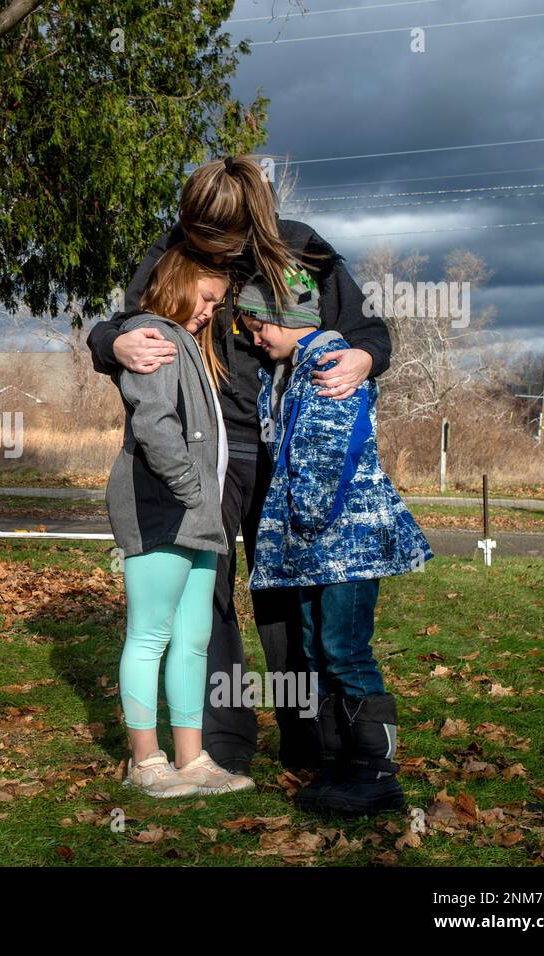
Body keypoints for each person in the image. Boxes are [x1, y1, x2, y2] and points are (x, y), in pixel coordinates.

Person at [87, 154, 393, 777]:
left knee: (287, 599)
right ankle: (219, 745)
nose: (207, 249)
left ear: (252, 222)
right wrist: (110, 344)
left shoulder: (304, 249)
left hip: (286, 456)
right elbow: (125, 327)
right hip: (210, 459)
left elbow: (369, 332)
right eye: (196, 235)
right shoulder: (174, 249)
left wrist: (363, 358)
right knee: (211, 597)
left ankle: (312, 740)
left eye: (218, 239)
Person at [237, 270, 432, 815]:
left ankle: (376, 773)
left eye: (259, 326)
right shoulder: (285, 373)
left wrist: (303, 522)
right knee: (315, 651)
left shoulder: (328, 366)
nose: (254, 338)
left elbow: (326, 456)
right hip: (308, 547)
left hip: (342, 541)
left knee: (345, 651)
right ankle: (336, 763)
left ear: (289, 317)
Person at [106, 241, 251, 798]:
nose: (211, 310)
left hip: (199, 517)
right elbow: (155, 423)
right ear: (180, 280)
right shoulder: (155, 334)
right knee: (150, 635)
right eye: (207, 297)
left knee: (192, 639)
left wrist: (204, 503)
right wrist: (194, 490)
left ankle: (192, 760)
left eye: (218, 303)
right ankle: (146, 761)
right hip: (162, 509)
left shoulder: (189, 343)